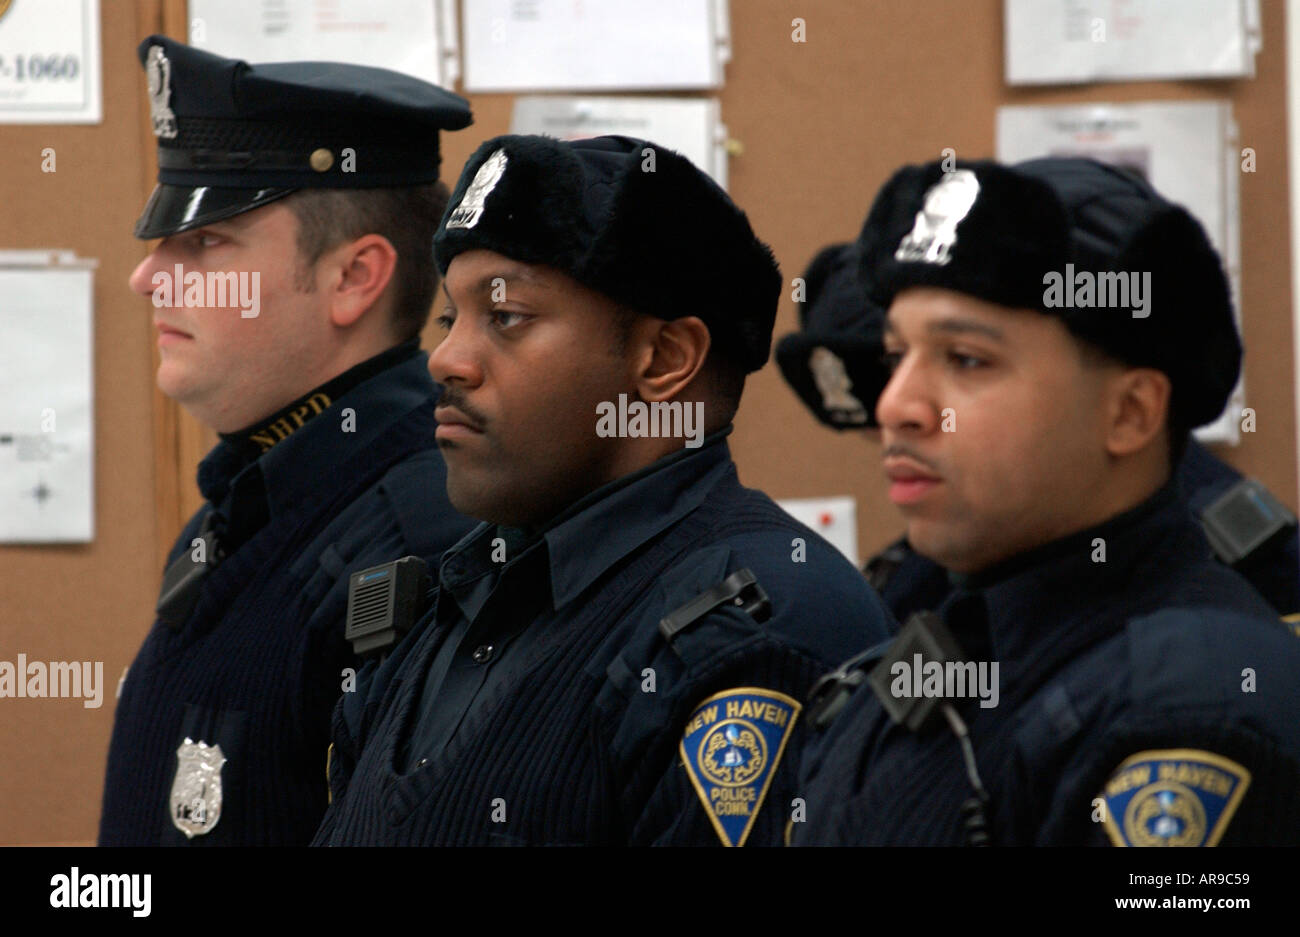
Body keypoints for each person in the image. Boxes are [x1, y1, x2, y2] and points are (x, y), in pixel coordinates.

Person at [312, 134, 894, 846]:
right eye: (449, 317)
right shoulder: (447, 602)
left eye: (506, 317)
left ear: (664, 359)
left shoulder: (754, 630)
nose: (447, 358)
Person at [792, 157, 1300, 846]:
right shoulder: (955, 639)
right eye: (896, 355)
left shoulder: (1190, 710)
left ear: (1129, 412)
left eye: (966, 359)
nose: (895, 405)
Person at [99, 36, 477, 845]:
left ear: (352, 278)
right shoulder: (242, 507)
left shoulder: (424, 551)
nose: (147, 275)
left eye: (205, 243)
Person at [776, 243, 1299, 619]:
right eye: (896, 361)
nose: (898, 418)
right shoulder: (935, 567)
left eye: (966, 362)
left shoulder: (1232, 553)